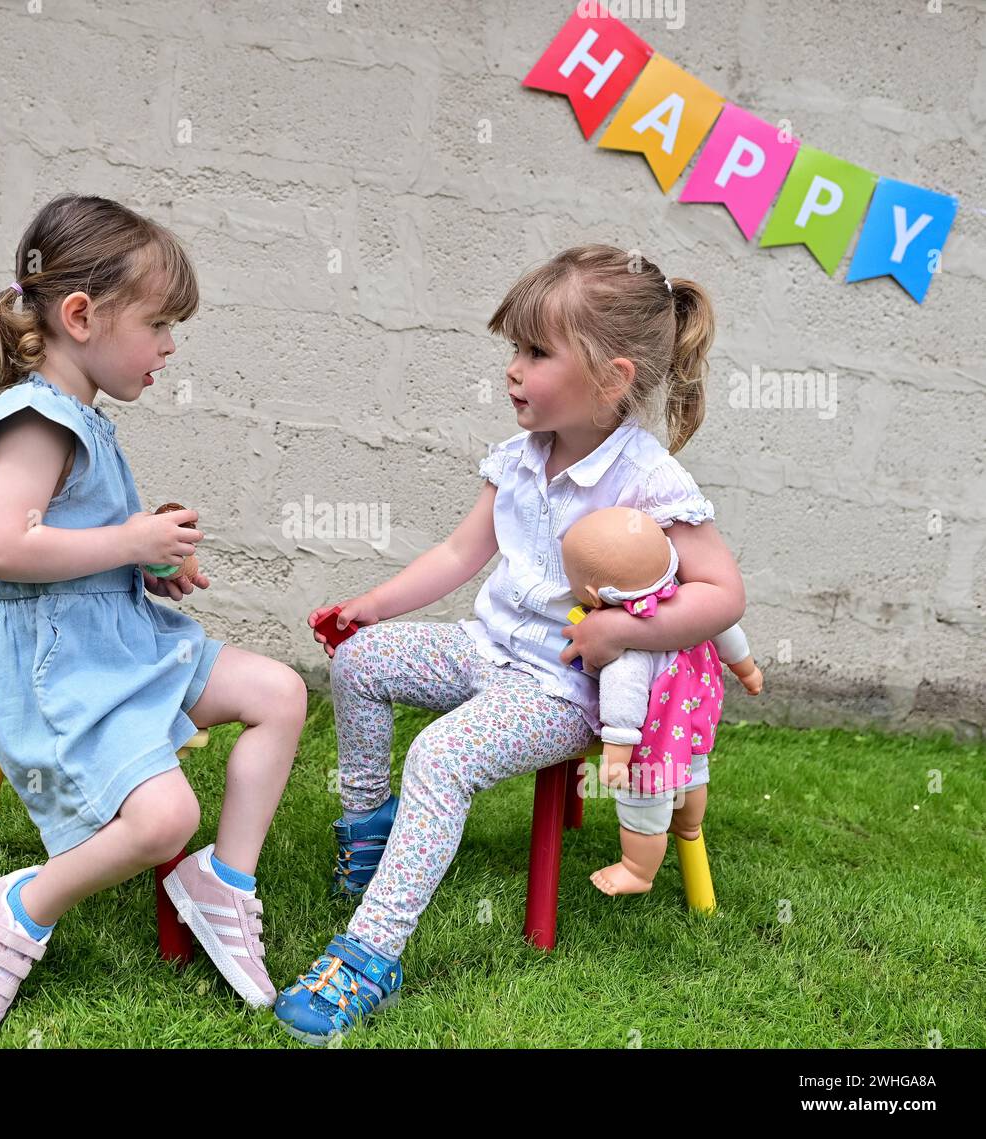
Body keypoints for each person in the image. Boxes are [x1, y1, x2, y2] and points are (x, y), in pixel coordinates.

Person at [274, 244, 746, 1045]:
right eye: (513, 349)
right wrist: (372, 606)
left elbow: (723, 594)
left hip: (562, 689)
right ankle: (370, 838)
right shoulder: (520, 458)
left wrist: (620, 630)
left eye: (535, 352)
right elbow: (460, 555)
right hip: (482, 649)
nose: (513, 371)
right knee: (361, 662)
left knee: (440, 757)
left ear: (612, 377)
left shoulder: (646, 477)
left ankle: (369, 953)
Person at [0, 194, 307, 1040]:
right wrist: (130, 537)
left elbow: (73, 535)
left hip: (124, 641)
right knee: (164, 816)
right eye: (159, 324)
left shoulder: (82, 418)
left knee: (281, 693)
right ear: (81, 315)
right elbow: (6, 546)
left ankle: (226, 883)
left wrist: (148, 564)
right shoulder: (34, 420)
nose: (170, 347)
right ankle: (27, 903)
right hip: (62, 669)